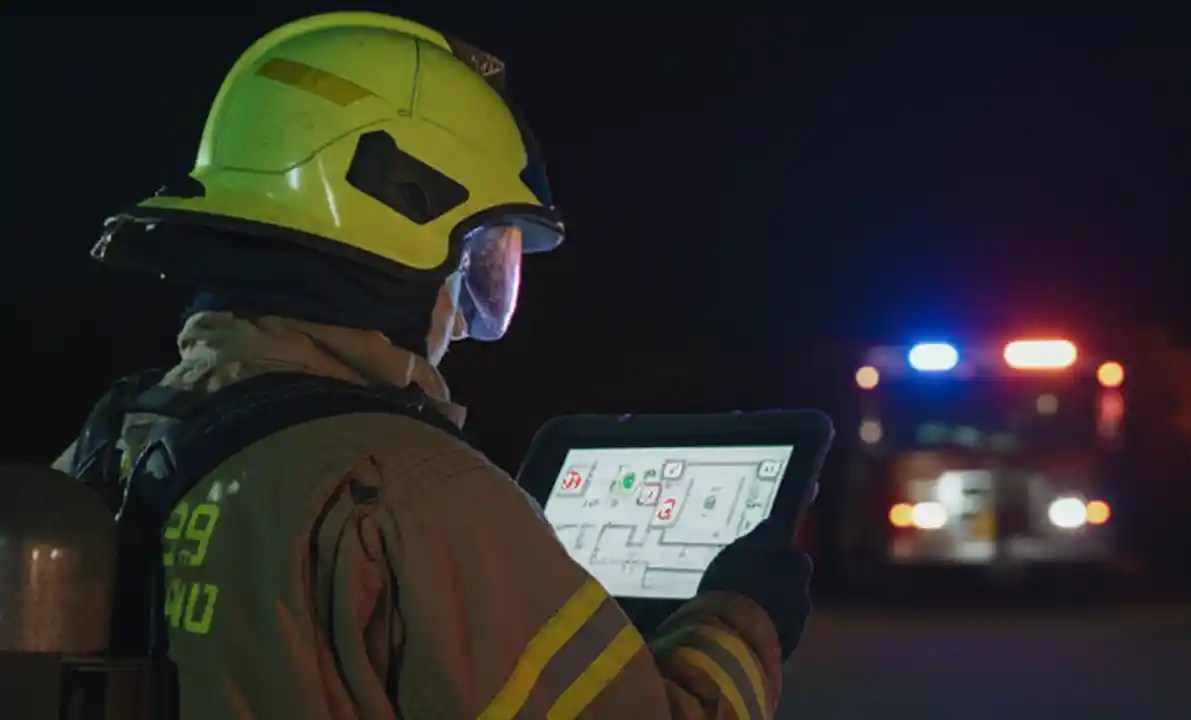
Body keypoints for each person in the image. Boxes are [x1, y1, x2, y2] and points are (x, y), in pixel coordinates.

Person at [51, 12, 811, 719]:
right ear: (407, 208)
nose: (465, 307)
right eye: (478, 254)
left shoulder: (114, 444)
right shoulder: (415, 491)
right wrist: (740, 621)